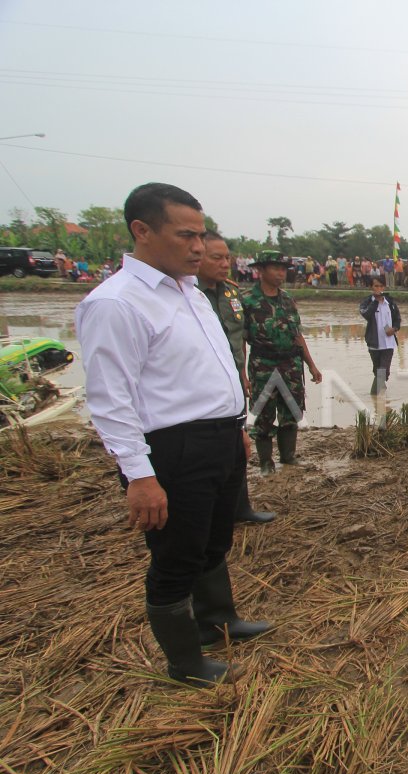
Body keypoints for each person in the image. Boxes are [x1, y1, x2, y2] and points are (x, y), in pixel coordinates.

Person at [75, 182, 270, 687]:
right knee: (177, 554)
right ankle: (185, 662)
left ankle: (216, 619)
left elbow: (211, 367)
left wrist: (236, 429)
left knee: (213, 538)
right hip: (174, 448)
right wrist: (138, 475)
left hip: (219, 437)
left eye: (201, 236)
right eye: (186, 235)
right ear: (142, 231)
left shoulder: (192, 293)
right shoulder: (117, 303)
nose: (198, 247)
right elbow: (110, 399)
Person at [198, 231, 275, 525]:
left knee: (236, 444)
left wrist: (241, 373)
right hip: (201, 382)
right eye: (216, 257)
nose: (225, 264)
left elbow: (239, 338)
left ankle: (239, 506)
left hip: (231, 378)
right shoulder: (188, 295)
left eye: (227, 257)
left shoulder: (230, 294)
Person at [243, 259, 322, 474]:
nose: (281, 274)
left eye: (283, 270)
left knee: (291, 411)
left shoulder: (288, 300)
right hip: (263, 365)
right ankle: (266, 463)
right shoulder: (248, 301)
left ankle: (288, 458)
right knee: (264, 414)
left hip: (291, 364)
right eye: (276, 269)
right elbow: (240, 340)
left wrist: (312, 365)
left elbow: (298, 335)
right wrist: (242, 374)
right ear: (260, 270)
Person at [359, 276, 401, 395]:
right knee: (377, 371)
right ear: (372, 287)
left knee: (383, 371)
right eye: (376, 286)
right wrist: (375, 301)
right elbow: (366, 315)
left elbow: (397, 320)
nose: (378, 288)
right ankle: (380, 392)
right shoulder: (367, 302)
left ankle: (374, 394)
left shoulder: (390, 303)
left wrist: (394, 329)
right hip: (374, 343)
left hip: (388, 343)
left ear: (384, 287)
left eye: (381, 286)